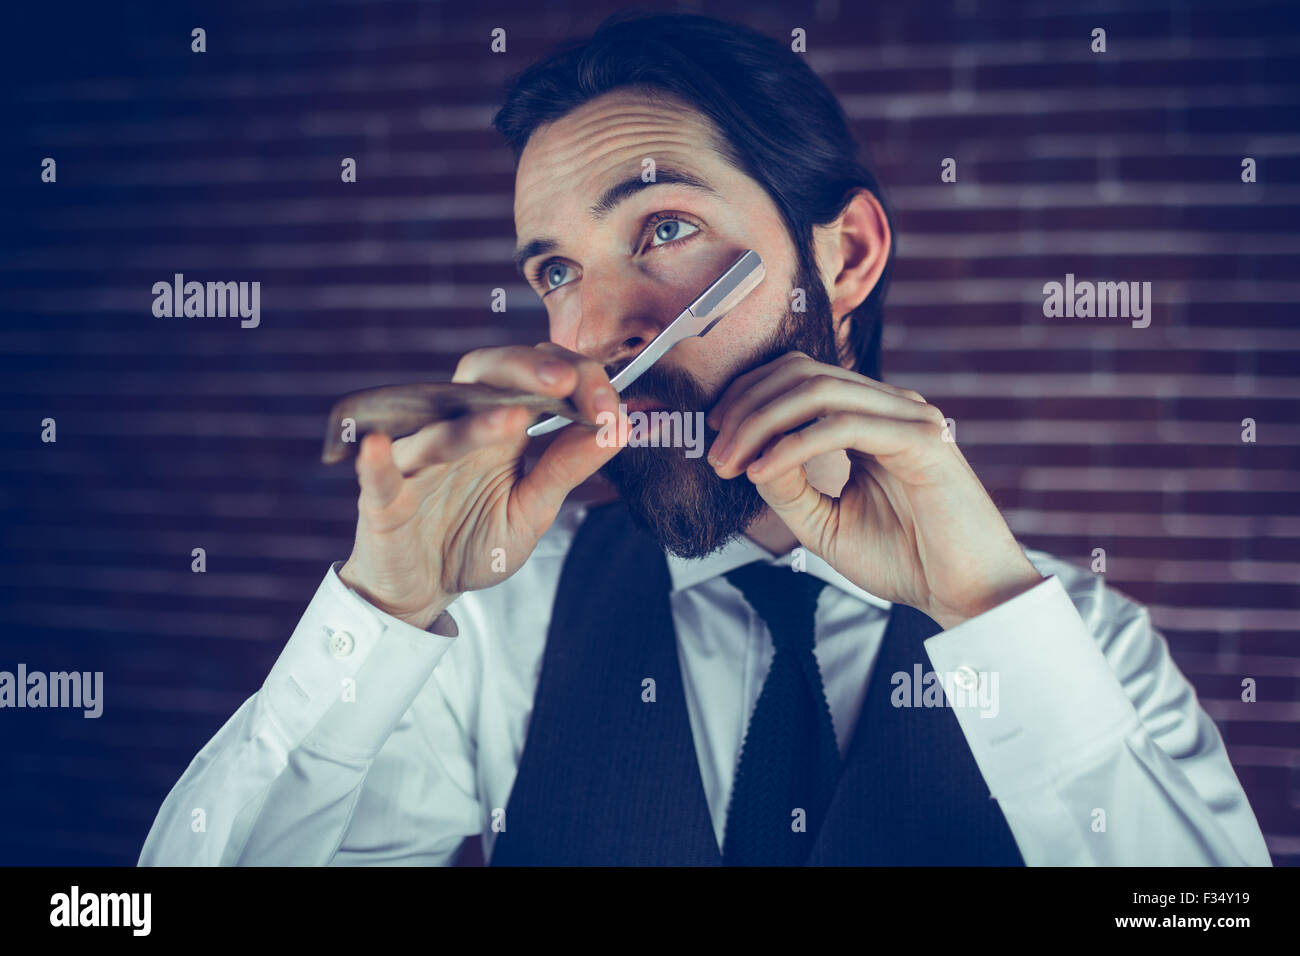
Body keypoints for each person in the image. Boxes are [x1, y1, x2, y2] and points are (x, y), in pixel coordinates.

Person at [138, 12, 1271, 866]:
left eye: (665, 229)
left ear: (846, 258)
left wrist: (987, 612)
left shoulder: (1089, 645)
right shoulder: (495, 632)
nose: (592, 333)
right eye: (556, 271)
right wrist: (380, 611)